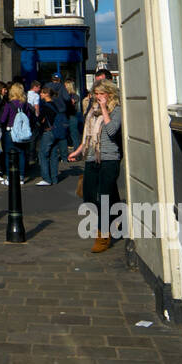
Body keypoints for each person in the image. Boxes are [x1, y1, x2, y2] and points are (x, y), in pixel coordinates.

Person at [68, 81, 123, 252]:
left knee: (105, 198)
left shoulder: (117, 110)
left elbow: (112, 130)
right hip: (92, 157)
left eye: (102, 93)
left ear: (110, 94)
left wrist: (105, 109)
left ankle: (103, 236)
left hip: (109, 158)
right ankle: (117, 215)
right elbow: (88, 136)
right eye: (96, 93)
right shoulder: (92, 110)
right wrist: (78, 151)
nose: (98, 97)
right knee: (89, 197)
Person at [0, 82, 37, 184]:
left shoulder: (9, 104)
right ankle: (21, 177)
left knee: (8, 154)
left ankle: (9, 177)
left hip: (10, 132)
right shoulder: (25, 105)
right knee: (21, 154)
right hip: (22, 133)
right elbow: (28, 117)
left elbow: (3, 119)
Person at [34, 82, 70, 185]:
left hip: (48, 132)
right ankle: (54, 178)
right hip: (56, 132)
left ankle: (46, 178)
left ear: (46, 94)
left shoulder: (45, 107)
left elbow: (40, 120)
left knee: (43, 154)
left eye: (42, 93)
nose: (40, 95)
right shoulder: (55, 104)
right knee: (53, 155)